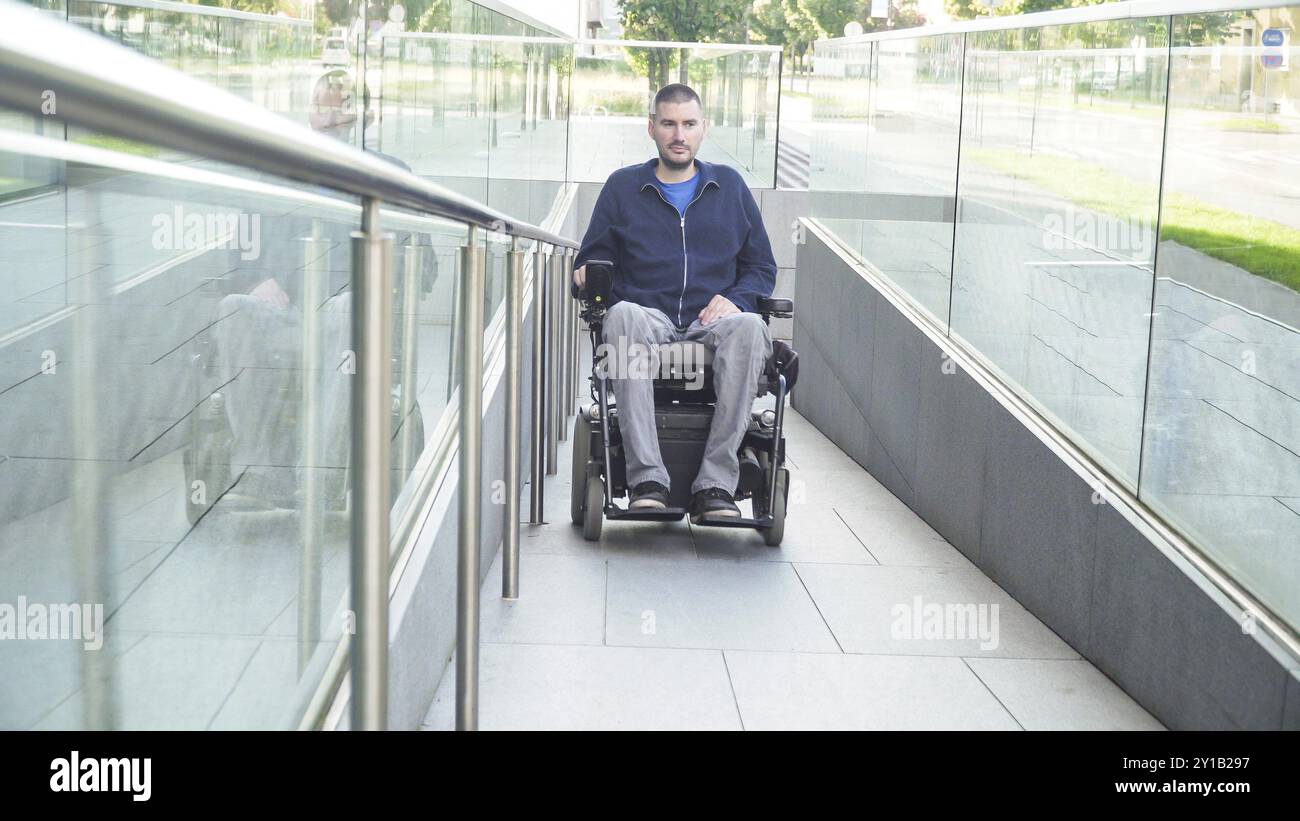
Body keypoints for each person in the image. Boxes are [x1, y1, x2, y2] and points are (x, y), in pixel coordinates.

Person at [572, 83, 778, 523]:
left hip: (712, 321)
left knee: (750, 326)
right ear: (652, 128)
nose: (678, 134)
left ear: (704, 129)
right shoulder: (623, 187)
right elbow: (592, 256)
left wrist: (737, 300)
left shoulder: (731, 188)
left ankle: (717, 484)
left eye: (688, 124)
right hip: (648, 316)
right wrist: (589, 272)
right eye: (668, 123)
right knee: (622, 314)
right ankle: (647, 479)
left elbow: (761, 266)